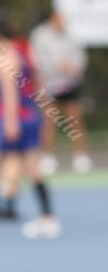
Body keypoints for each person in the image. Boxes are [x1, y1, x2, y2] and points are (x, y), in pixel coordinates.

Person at [0, 20, 61, 238]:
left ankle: (45, 217)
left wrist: (11, 121)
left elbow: (10, 93)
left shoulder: (7, 57)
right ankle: (45, 217)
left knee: (27, 167)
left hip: (18, 118)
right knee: (24, 165)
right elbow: (36, 83)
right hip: (28, 116)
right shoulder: (21, 51)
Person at [29, 10, 93, 175]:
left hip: (69, 82)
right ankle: (48, 157)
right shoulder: (40, 35)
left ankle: (81, 156)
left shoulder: (71, 35)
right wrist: (58, 65)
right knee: (49, 121)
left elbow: (80, 56)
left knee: (75, 118)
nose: (63, 22)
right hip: (49, 81)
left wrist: (74, 66)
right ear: (53, 19)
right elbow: (37, 58)